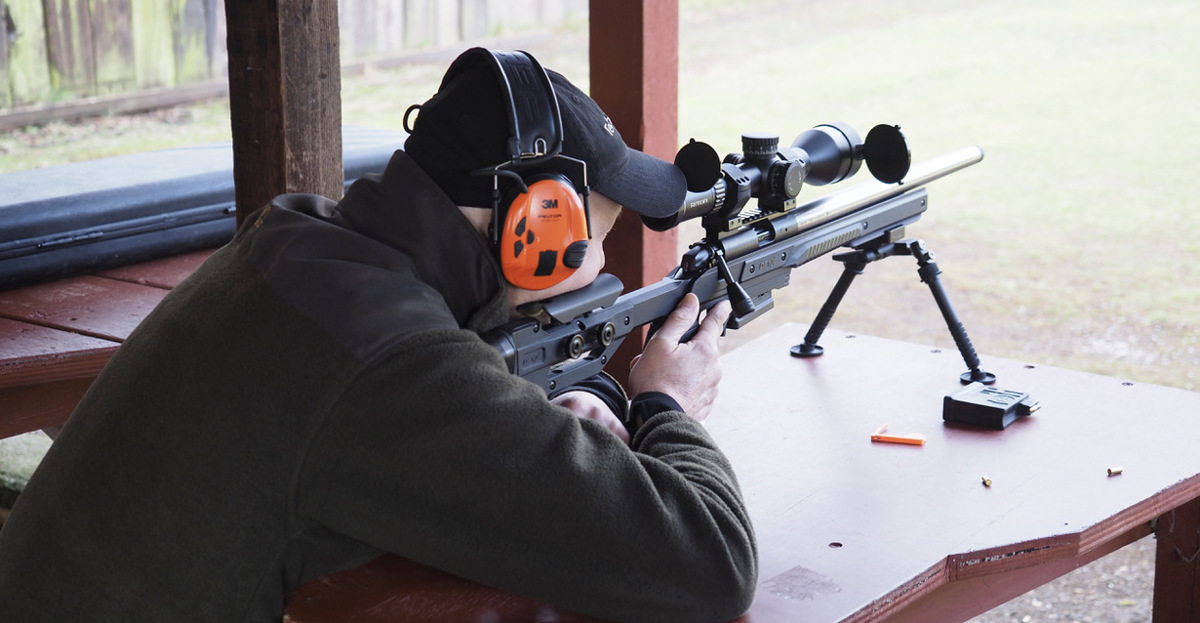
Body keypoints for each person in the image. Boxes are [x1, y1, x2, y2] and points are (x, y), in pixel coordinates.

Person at [0, 48, 757, 622]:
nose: (599, 261)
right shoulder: (391, 363)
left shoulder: (292, 240)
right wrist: (668, 405)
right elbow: (710, 563)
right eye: (599, 235)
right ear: (537, 223)